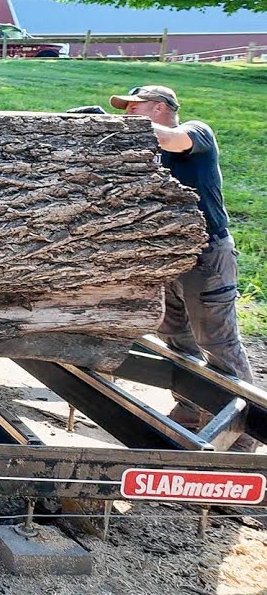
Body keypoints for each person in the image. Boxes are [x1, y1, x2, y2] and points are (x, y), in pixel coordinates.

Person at [109, 85, 256, 441]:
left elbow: (173, 140)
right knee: (175, 336)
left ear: (159, 107)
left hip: (207, 255)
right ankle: (190, 410)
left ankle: (245, 430)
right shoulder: (147, 151)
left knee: (218, 343)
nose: (127, 115)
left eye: (134, 108)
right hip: (168, 255)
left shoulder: (195, 132)